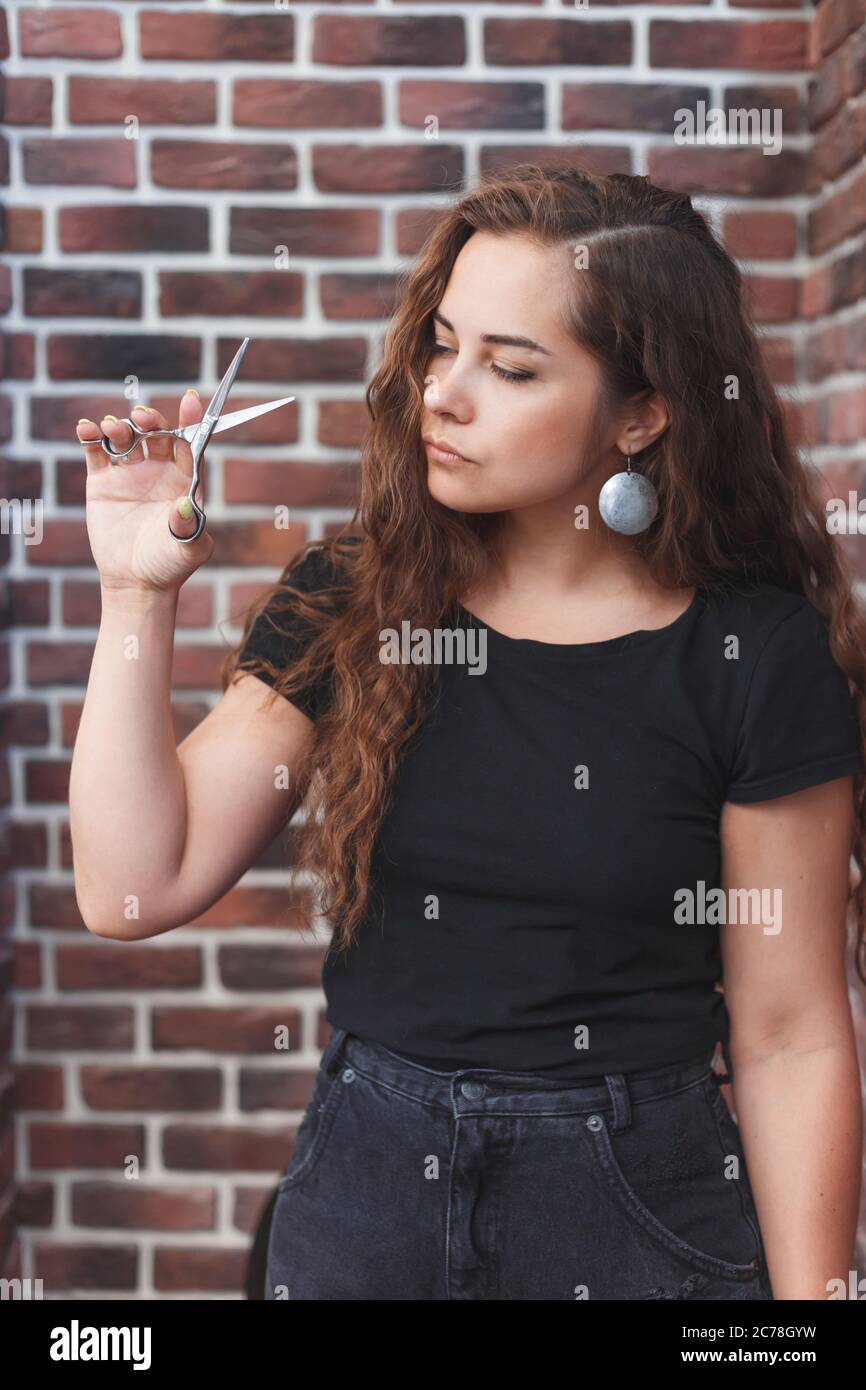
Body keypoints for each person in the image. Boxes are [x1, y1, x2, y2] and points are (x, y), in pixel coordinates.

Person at [71, 163, 866, 1302]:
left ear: (640, 413)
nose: (440, 392)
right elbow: (130, 884)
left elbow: (791, 1034)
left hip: (633, 1209)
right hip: (370, 1198)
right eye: (442, 345)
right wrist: (135, 594)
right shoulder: (356, 596)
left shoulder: (751, 656)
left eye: (510, 367)